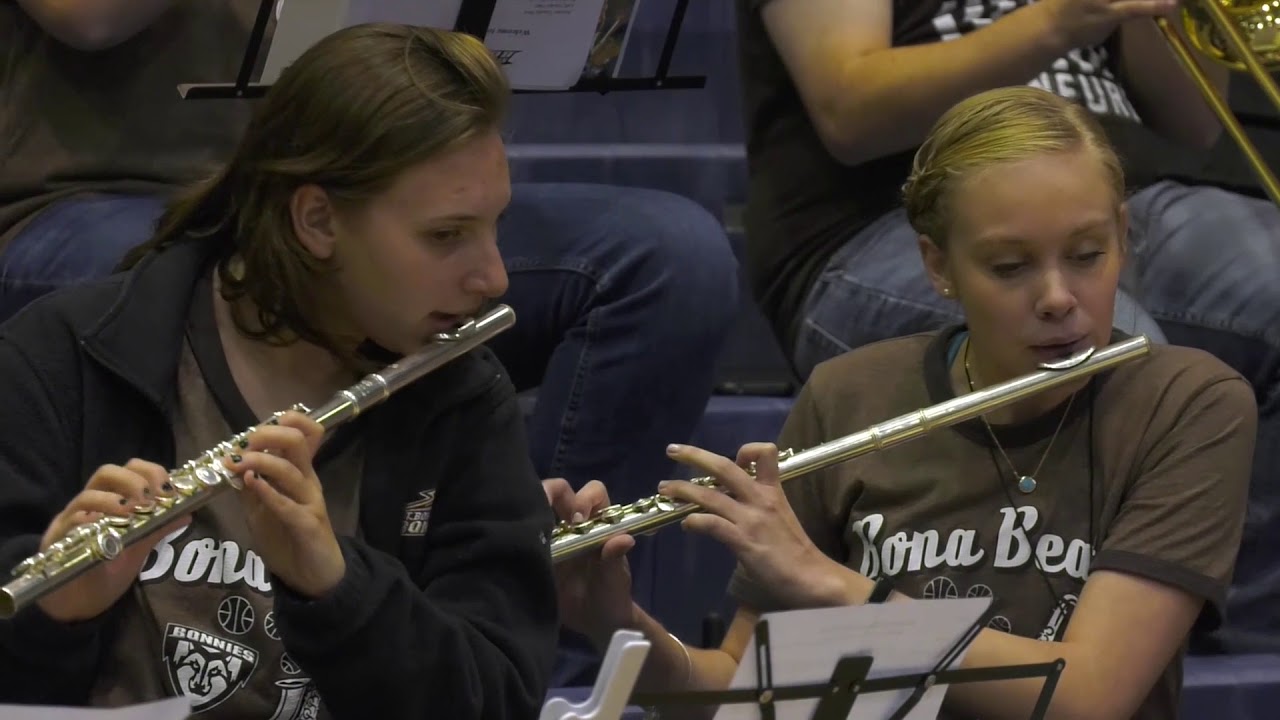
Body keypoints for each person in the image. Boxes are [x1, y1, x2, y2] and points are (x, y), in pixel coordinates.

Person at [0, 1, 740, 685]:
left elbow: (497, 695)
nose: (493, 277)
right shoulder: (66, 359)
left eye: (494, 227)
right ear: (318, 222)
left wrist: (337, 587)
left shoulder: (460, 397)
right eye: (445, 236)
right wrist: (58, 613)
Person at [549, 86, 1258, 720]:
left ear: (1124, 240)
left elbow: (1087, 695)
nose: (1057, 298)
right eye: (1009, 267)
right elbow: (737, 689)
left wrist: (840, 592)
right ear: (938, 266)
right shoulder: (853, 395)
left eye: (1087, 254)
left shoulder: (1187, 404)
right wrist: (617, 624)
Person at [733, 0, 1280, 654]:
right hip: (887, 222)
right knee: (1118, 364)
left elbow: (1192, 121)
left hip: (1107, 195)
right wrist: (1057, 19)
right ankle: (1091, 657)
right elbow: (849, 106)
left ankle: (1231, 656)